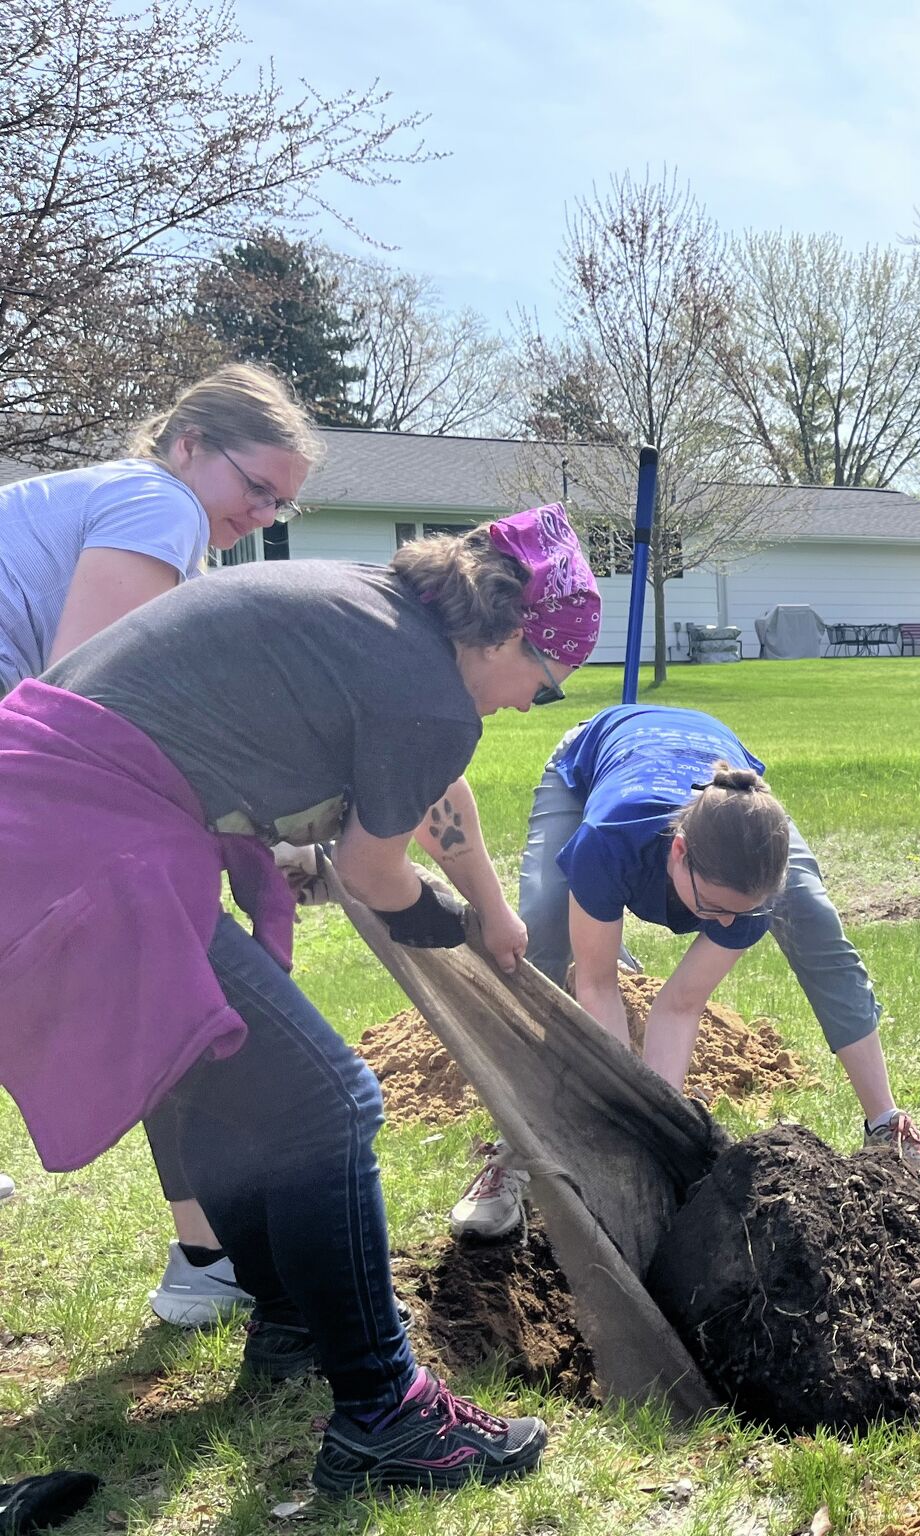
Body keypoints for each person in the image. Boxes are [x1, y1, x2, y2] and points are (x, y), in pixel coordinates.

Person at [0, 506, 600, 1494]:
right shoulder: (425, 690)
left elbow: (425, 796)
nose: (536, 703)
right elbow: (374, 870)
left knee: (221, 1074)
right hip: (80, 846)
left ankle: (286, 1324)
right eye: (547, 679)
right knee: (331, 1103)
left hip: (44, 812)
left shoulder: (375, 612)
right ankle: (386, 1417)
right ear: (505, 638)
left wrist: (481, 907)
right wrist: (439, 922)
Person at [0, 363, 322, 1330]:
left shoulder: (123, 502)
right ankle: (207, 1257)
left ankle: (204, 1257)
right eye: (254, 485)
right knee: (160, 977)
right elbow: (89, 700)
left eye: (282, 503)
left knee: (139, 977)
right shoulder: (157, 501)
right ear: (187, 444)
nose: (261, 513)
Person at [450, 702, 920, 1239]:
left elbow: (680, 1004)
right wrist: (623, 1114)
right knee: (543, 928)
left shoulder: (750, 894)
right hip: (592, 760)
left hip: (729, 790)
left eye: (740, 912)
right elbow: (597, 983)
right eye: (713, 907)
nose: (725, 923)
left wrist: (658, 1131)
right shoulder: (608, 840)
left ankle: (886, 1124)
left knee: (813, 922)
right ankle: (519, 1144)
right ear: (680, 852)